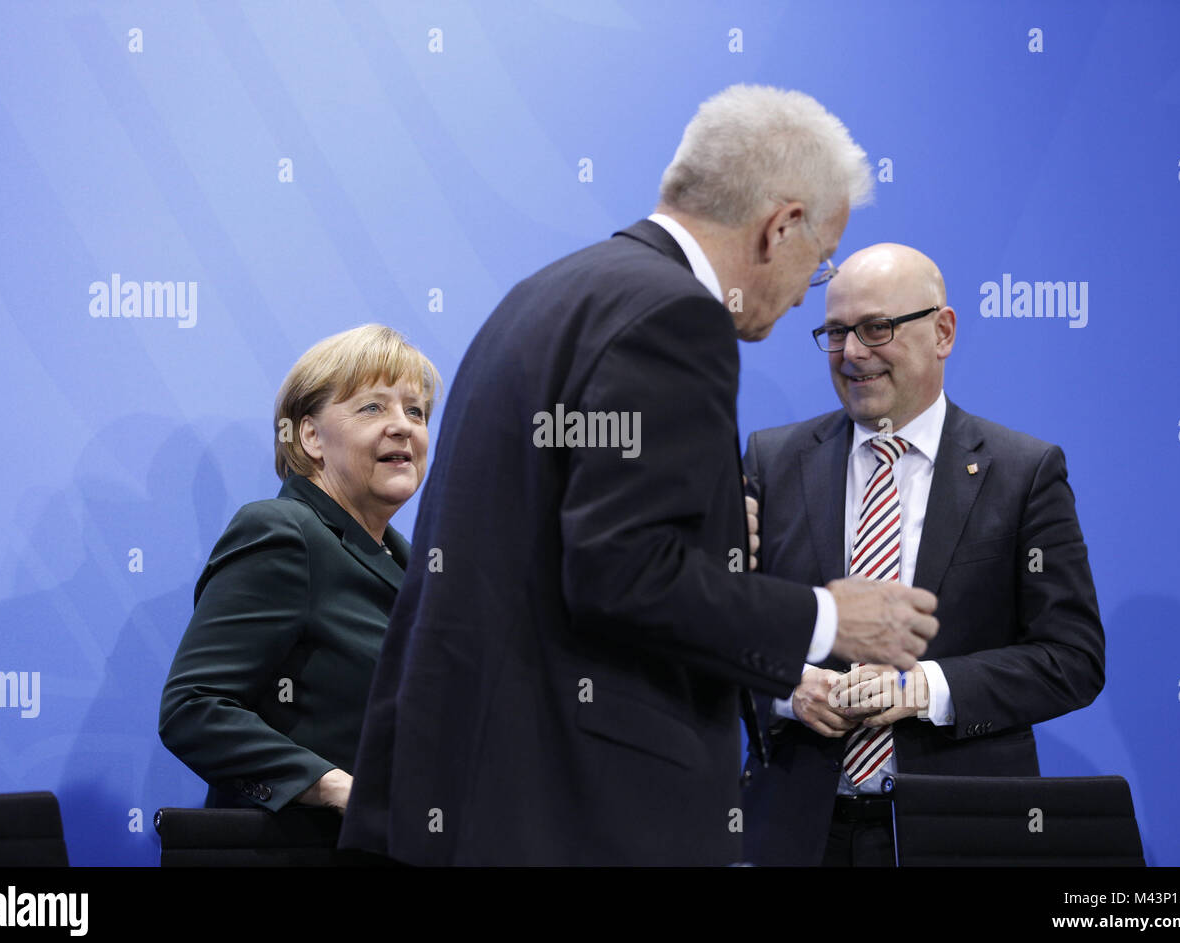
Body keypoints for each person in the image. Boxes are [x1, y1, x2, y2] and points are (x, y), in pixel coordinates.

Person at [339, 86, 940, 866]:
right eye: (819, 260)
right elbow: (620, 572)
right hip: (576, 814)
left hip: (467, 797)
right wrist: (828, 619)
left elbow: (570, 542)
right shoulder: (675, 316)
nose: (804, 295)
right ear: (780, 225)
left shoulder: (549, 294)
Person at [739, 243, 1106, 865]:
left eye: (876, 327)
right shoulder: (771, 462)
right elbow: (720, 630)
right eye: (835, 332)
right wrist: (787, 687)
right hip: (796, 830)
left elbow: (1072, 658)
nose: (853, 352)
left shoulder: (1023, 472)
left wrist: (922, 688)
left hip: (963, 831)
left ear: (942, 331)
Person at [159, 324, 440, 815]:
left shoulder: (413, 564)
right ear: (309, 435)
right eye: (373, 407)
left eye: (414, 410)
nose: (403, 426)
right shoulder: (283, 533)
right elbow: (193, 707)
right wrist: (337, 789)